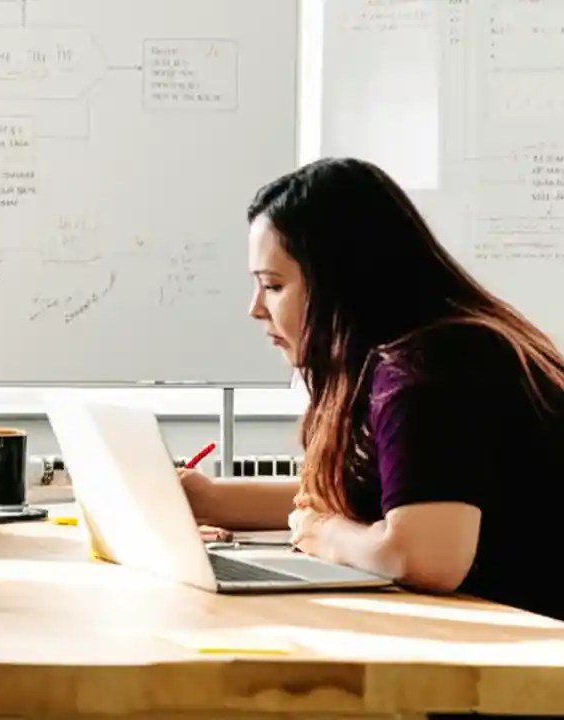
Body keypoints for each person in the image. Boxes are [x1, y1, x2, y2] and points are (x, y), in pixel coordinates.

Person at [180, 157, 564, 622]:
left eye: (273, 286)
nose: (256, 308)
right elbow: (376, 498)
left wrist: (325, 534)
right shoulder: (408, 357)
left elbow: (425, 557)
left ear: (341, 281)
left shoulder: (434, 367)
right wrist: (208, 499)